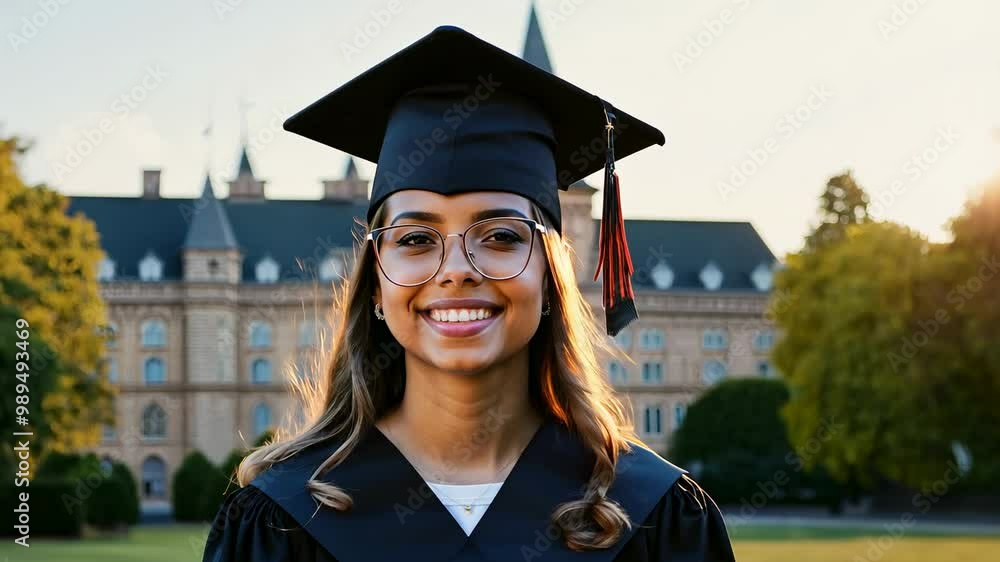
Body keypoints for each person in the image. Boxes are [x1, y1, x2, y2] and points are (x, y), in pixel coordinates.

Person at [203, 25, 736, 562]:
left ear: (552, 279)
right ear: (373, 286)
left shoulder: (656, 518)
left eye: (501, 236)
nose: (456, 270)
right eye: (414, 239)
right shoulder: (281, 524)